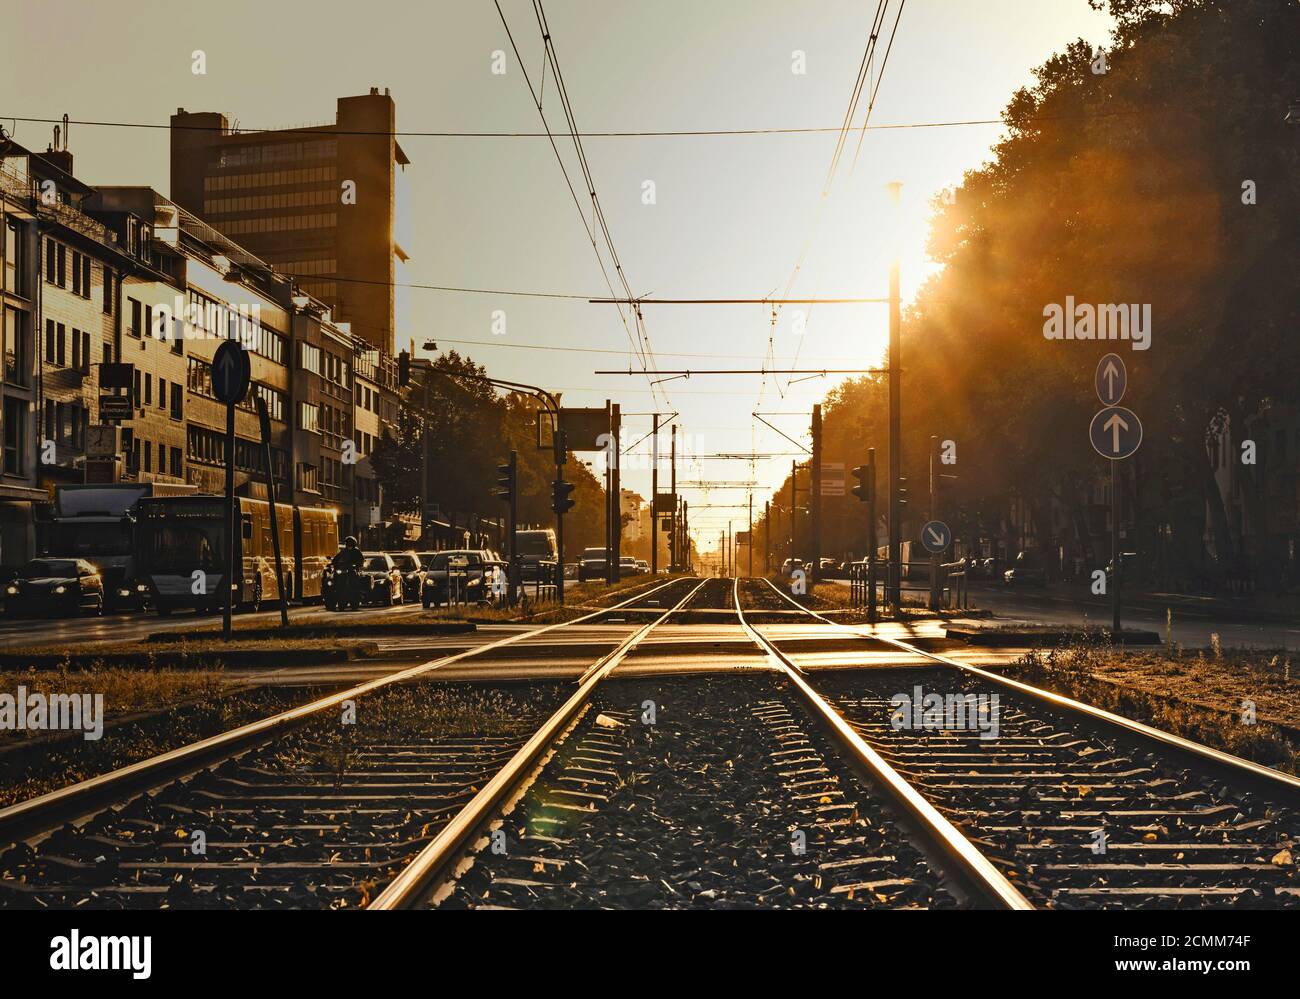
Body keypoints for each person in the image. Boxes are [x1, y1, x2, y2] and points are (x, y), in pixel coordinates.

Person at [332, 536, 364, 610]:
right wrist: (333, 562)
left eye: (350, 543)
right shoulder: (343, 551)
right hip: (343, 570)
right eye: (347, 543)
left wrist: (358, 564)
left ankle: (356, 592)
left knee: (355, 578)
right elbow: (337, 558)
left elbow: (361, 560)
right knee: (335, 576)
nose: (348, 545)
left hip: (352, 570)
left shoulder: (357, 551)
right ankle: (335, 589)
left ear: (353, 544)